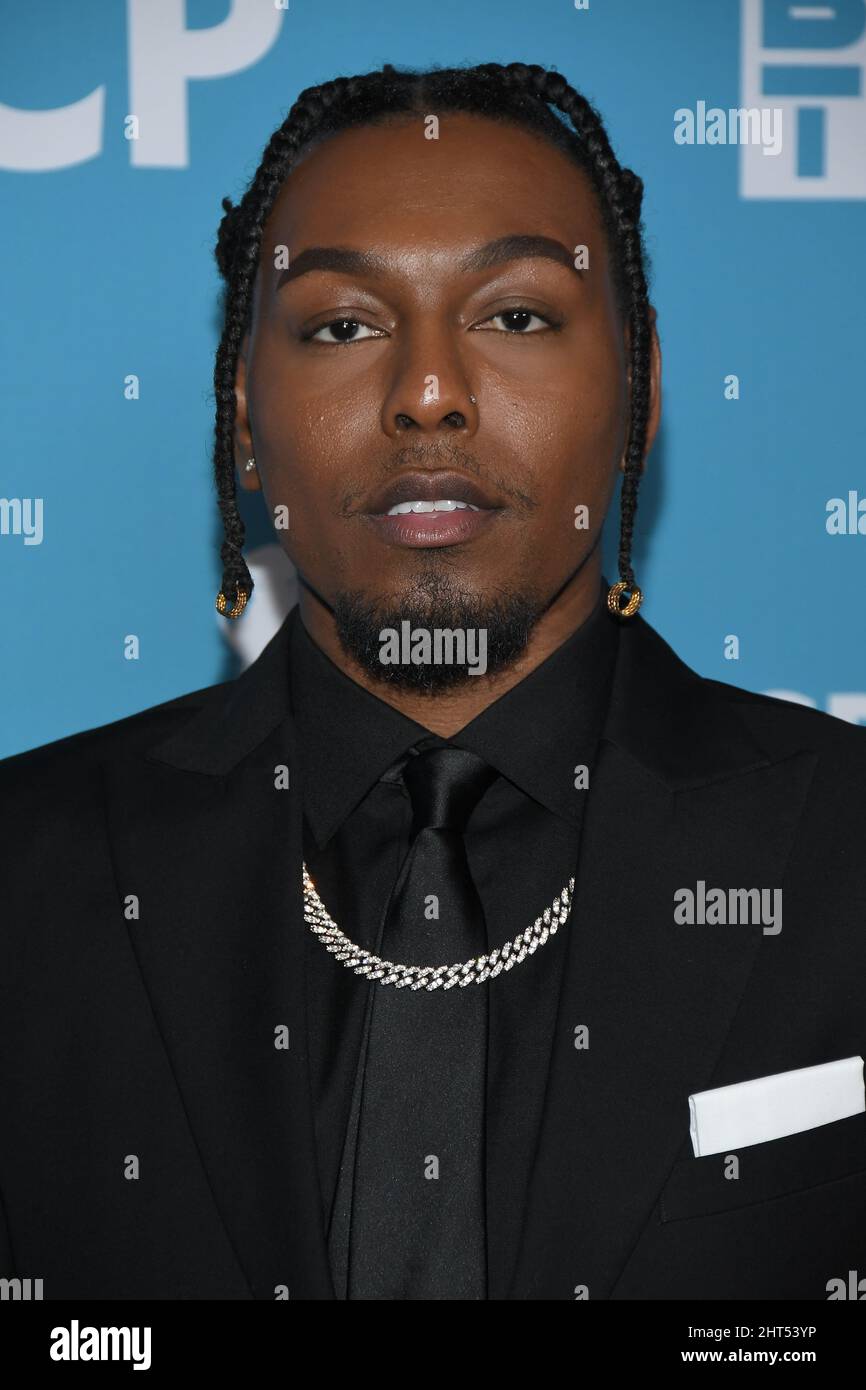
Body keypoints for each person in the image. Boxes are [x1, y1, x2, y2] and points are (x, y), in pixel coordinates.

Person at [1, 60, 865, 1302]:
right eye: (342, 325)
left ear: (641, 388)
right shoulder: (27, 879)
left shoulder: (840, 850)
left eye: (513, 316)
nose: (425, 397)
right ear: (240, 411)